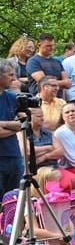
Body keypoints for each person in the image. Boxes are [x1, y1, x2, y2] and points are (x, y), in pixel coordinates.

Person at [0, 63, 24, 194]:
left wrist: (3, 123)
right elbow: (18, 126)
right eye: (10, 75)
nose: (14, 78)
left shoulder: (12, 98)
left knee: (14, 198)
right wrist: (15, 127)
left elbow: (23, 123)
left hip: (14, 156)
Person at [27, 33, 71, 97]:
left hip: (58, 100)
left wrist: (52, 84)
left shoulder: (57, 61)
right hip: (41, 101)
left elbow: (68, 83)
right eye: (48, 46)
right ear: (39, 45)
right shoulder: (33, 61)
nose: (52, 48)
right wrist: (62, 83)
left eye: (53, 45)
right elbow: (44, 83)